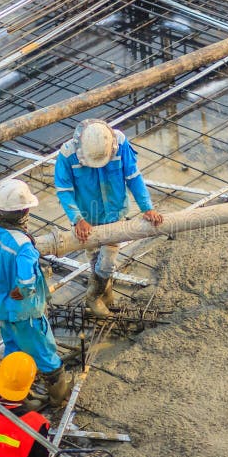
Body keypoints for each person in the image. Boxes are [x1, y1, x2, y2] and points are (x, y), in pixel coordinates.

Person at [54, 119, 163, 317]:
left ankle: (93, 296)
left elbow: (133, 177)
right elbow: (64, 190)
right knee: (95, 258)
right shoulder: (67, 154)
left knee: (107, 261)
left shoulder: (119, 143)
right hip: (86, 218)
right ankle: (106, 294)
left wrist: (147, 208)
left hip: (114, 213)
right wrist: (78, 219)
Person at [0, 178, 69, 407]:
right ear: (25, 212)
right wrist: (23, 289)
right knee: (45, 352)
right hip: (25, 312)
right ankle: (58, 397)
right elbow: (27, 281)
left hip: (1, 307)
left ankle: (11, 395)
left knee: (13, 350)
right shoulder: (24, 246)